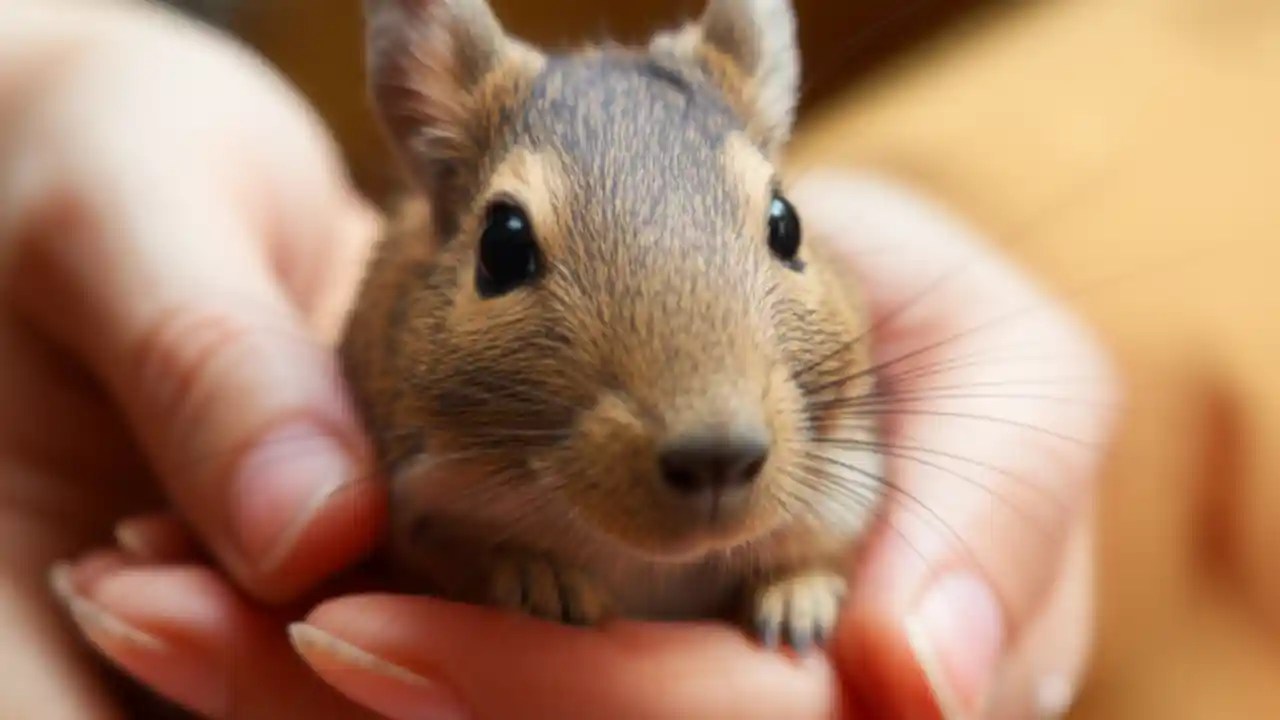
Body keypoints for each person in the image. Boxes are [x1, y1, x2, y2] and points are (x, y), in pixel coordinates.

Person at [0, 2, 1117, 718]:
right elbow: (415, 503)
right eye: (511, 249)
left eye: (775, 232)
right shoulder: (405, 364)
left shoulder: (825, 392)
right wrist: (45, 68)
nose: (715, 428)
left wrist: (806, 567)